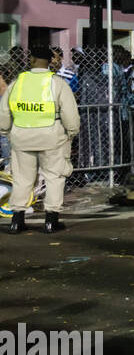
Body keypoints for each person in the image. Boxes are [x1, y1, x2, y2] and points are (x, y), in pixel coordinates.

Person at [0, 43, 81, 233]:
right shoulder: (57, 83)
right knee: (54, 176)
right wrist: (71, 132)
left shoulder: (17, 83)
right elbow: (70, 114)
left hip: (21, 136)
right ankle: (51, 220)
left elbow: (4, 111)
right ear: (50, 61)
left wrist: (5, 131)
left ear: (32, 60)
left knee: (21, 178)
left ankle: (17, 220)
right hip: (51, 136)